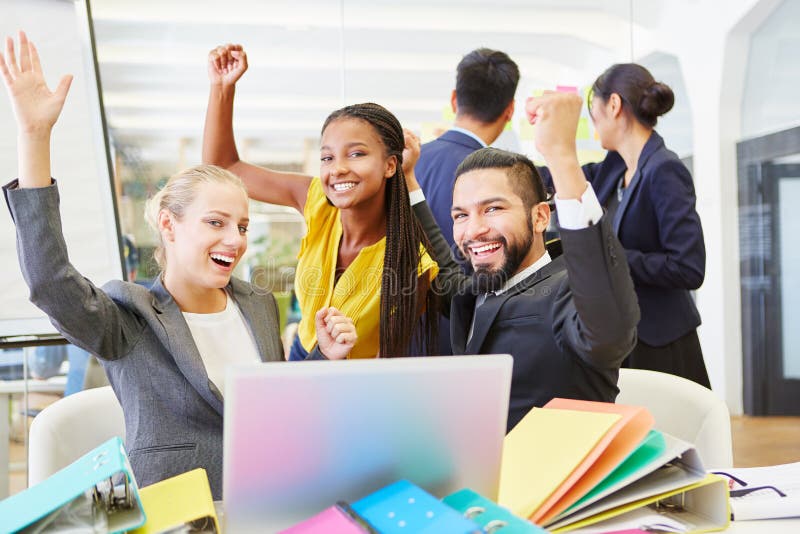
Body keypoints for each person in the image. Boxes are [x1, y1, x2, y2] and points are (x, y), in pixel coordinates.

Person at [0, 31, 356, 499]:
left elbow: (278, 407)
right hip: (176, 518)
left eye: (243, 226)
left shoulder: (257, 305)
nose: (236, 240)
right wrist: (34, 137)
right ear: (169, 226)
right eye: (216, 222)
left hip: (266, 504)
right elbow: (50, 281)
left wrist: (322, 359)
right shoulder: (129, 316)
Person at [405, 92, 640, 431]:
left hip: (557, 481)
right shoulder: (480, 289)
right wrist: (410, 180)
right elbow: (445, 267)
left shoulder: (568, 292)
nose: (474, 230)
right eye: (461, 215)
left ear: (541, 217)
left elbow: (609, 326)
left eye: (493, 209)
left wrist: (561, 157)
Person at [203, 44, 440, 360]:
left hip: (354, 383)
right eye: (327, 157)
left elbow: (396, 358)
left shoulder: (414, 261)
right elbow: (224, 168)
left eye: (356, 153)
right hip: (302, 355)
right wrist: (222, 88)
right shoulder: (318, 201)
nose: (338, 168)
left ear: (390, 165)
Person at [539, 64, 710, 388]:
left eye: (593, 113)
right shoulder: (616, 170)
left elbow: (689, 267)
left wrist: (610, 258)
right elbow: (560, 175)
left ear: (614, 105)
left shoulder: (664, 170)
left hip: (661, 340)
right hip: (627, 336)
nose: (592, 125)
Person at [414, 48, 519, 355]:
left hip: (406, 336)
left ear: (453, 99)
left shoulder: (409, 163)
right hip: (467, 335)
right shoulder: (501, 177)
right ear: (510, 110)